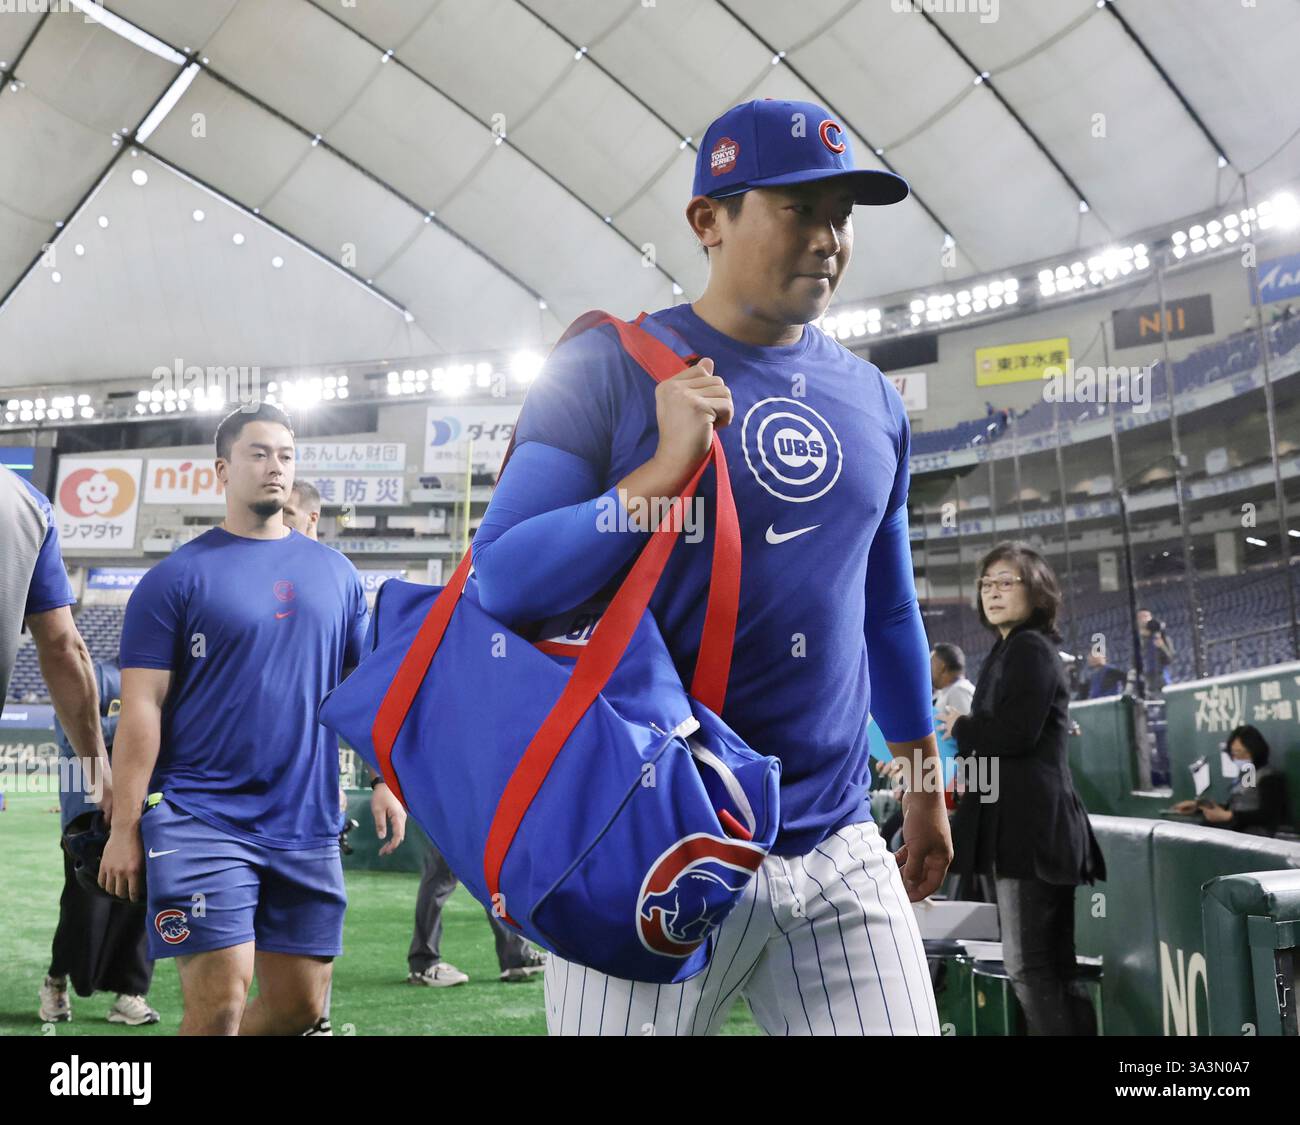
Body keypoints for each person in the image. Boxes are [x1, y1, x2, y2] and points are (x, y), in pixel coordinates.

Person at [472, 98, 950, 1036]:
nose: (829, 239)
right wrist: (657, 475)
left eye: (842, 216)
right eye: (799, 210)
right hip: (652, 831)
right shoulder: (607, 365)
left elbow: (887, 609)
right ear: (709, 220)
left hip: (839, 836)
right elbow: (506, 580)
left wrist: (926, 785)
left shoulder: (874, 399)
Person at [99, 402, 407, 1035]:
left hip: (307, 823)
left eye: (286, 456)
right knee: (219, 1006)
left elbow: (364, 688)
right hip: (201, 818)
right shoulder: (174, 579)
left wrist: (383, 778)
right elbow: (141, 710)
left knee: (301, 1009)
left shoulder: (338, 576)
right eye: (259, 453)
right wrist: (125, 828)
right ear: (223, 468)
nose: (276, 468)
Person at [937, 541, 1105, 1036]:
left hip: (1035, 831)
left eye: (1006, 582)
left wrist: (962, 727)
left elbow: (1015, 734)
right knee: (1047, 969)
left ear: (1037, 591)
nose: (993, 592)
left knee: (1032, 969)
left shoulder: (1030, 648)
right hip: (1028, 828)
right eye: (987, 583)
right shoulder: (1010, 649)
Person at [42, 659, 159, 1027]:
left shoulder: (161, 679)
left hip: (145, 810)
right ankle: (56, 980)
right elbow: (73, 733)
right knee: (84, 905)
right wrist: (141, 726)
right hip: (90, 811)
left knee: (139, 903)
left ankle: (130, 992)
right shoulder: (94, 675)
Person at [407, 839, 547, 987]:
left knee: (490, 872)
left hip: (465, 817)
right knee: (442, 874)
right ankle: (422, 964)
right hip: (453, 818)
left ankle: (516, 956)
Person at [1172, 725, 1289, 836]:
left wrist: (1228, 816)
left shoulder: (1270, 777)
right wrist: (1199, 806)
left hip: (1255, 840)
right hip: (1235, 834)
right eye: (1233, 754)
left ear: (1255, 750)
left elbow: (1267, 814)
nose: (1236, 758)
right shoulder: (1247, 774)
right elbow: (1237, 806)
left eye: (1241, 753)